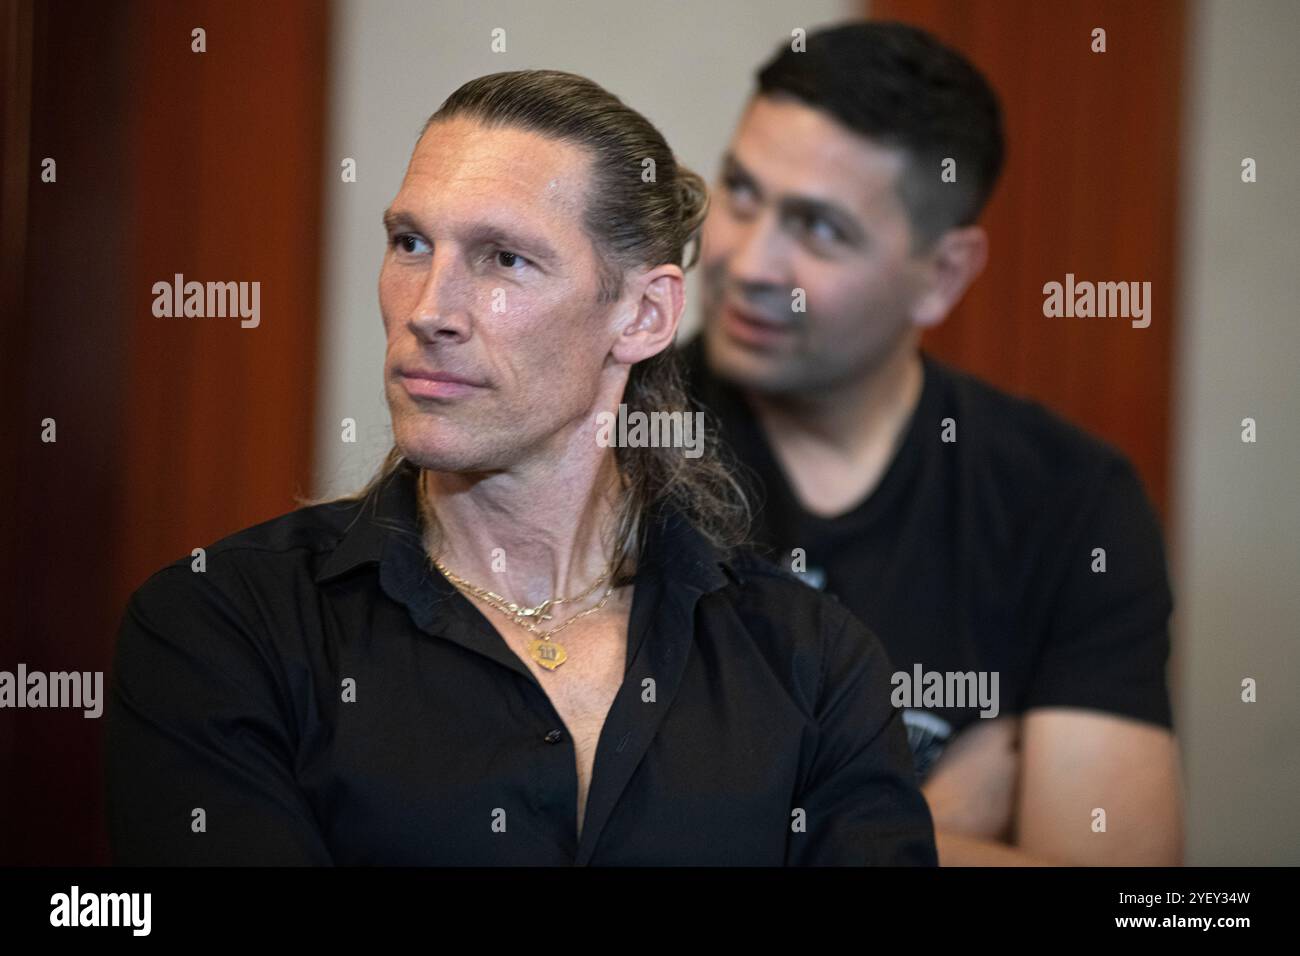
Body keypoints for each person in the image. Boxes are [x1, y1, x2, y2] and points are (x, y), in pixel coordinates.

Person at [104, 69, 937, 866]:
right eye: (410, 243)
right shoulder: (223, 629)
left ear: (644, 315)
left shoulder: (810, 662)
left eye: (503, 258)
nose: (429, 311)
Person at [680, 21, 1182, 865]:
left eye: (819, 228)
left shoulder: (1069, 498)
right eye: (739, 191)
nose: (747, 259)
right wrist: (911, 824)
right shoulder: (607, 441)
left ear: (942, 274)